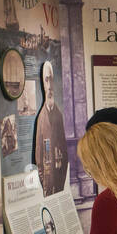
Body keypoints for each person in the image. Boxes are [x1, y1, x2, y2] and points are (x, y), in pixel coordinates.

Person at [34, 60, 68, 196]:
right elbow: (38, 155)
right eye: (46, 80)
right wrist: (44, 181)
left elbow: (64, 152)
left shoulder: (58, 115)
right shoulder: (41, 118)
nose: (49, 86)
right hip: (48, 183)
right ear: (43, 83)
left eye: (51, 80)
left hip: (59, 181)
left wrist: (61, 180)